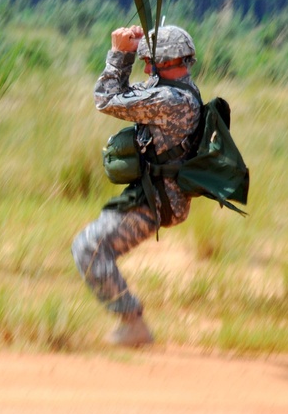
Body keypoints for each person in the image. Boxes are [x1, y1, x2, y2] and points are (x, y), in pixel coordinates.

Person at [72, 24, 202, 347]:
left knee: (88, 249)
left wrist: (120, 54)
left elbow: (107, 99)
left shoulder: (169, 100)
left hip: (155, 201)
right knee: (90, 246)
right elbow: (133, 97)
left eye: (150, 62)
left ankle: (132, 323)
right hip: (158, 197)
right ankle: (131, 323)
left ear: (167, 62)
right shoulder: (182, 92)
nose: (146, 69)